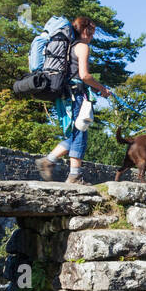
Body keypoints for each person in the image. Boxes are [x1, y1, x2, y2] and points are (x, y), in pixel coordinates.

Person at [36, 17, 111, 183]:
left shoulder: (69, 47)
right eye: (92, 33)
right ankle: (74, 175)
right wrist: (102, 88)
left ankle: (48, 161)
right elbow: (84, 75)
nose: (92, 37)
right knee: (80, 133)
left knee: (74, 133)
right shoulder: (82, 47)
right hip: (75, 95)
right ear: (85, 31)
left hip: (64, 94)